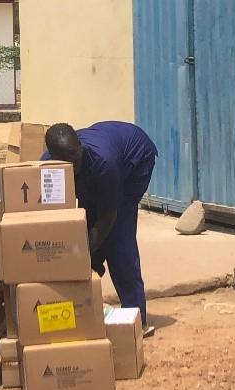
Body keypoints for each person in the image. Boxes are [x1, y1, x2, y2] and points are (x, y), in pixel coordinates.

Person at [43, 121, 158, 335]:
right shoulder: (47, 165)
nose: (74, 161)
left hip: (135, 160)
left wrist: (86, 255)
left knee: (118, 238)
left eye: (76, 154)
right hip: (106, 158)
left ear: (80, 147)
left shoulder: (104, 163)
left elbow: (108, 216)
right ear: (54, 157)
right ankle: (82, 307)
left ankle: (136, 319)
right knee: (86, 226)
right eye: (67, 159)